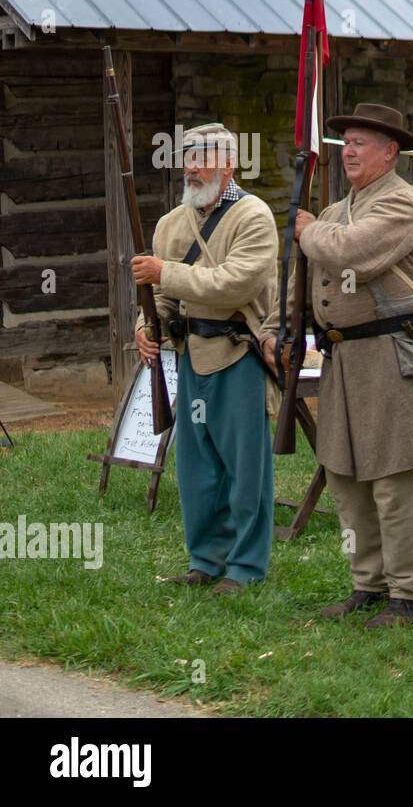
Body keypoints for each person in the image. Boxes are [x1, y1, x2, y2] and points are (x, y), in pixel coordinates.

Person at [261, 103, 413, 629]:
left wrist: (305, 230)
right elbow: (301, 284)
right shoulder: (331, 214)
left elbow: (352, 253)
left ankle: (410, 592)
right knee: (345, 476)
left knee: (393, 479)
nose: (351, 151)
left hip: (391, 354)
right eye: (347, 143)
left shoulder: (404, 204)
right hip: (343, 356)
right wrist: (277, 329)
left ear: (390, 153)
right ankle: (369, 583)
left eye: (362, 143)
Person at [134, 123, 278, 596]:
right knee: (197, 469)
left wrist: (165, 273)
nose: (191, 168)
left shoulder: (253, 216)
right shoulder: (172, 223)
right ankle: (205, 559)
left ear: (228, 164)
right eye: (187, 158)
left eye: (202, 158)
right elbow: (159, 298)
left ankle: (245, 566)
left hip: (238, 353)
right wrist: (144, 326)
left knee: (245, 468)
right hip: (190, 356)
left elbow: (234, 284)